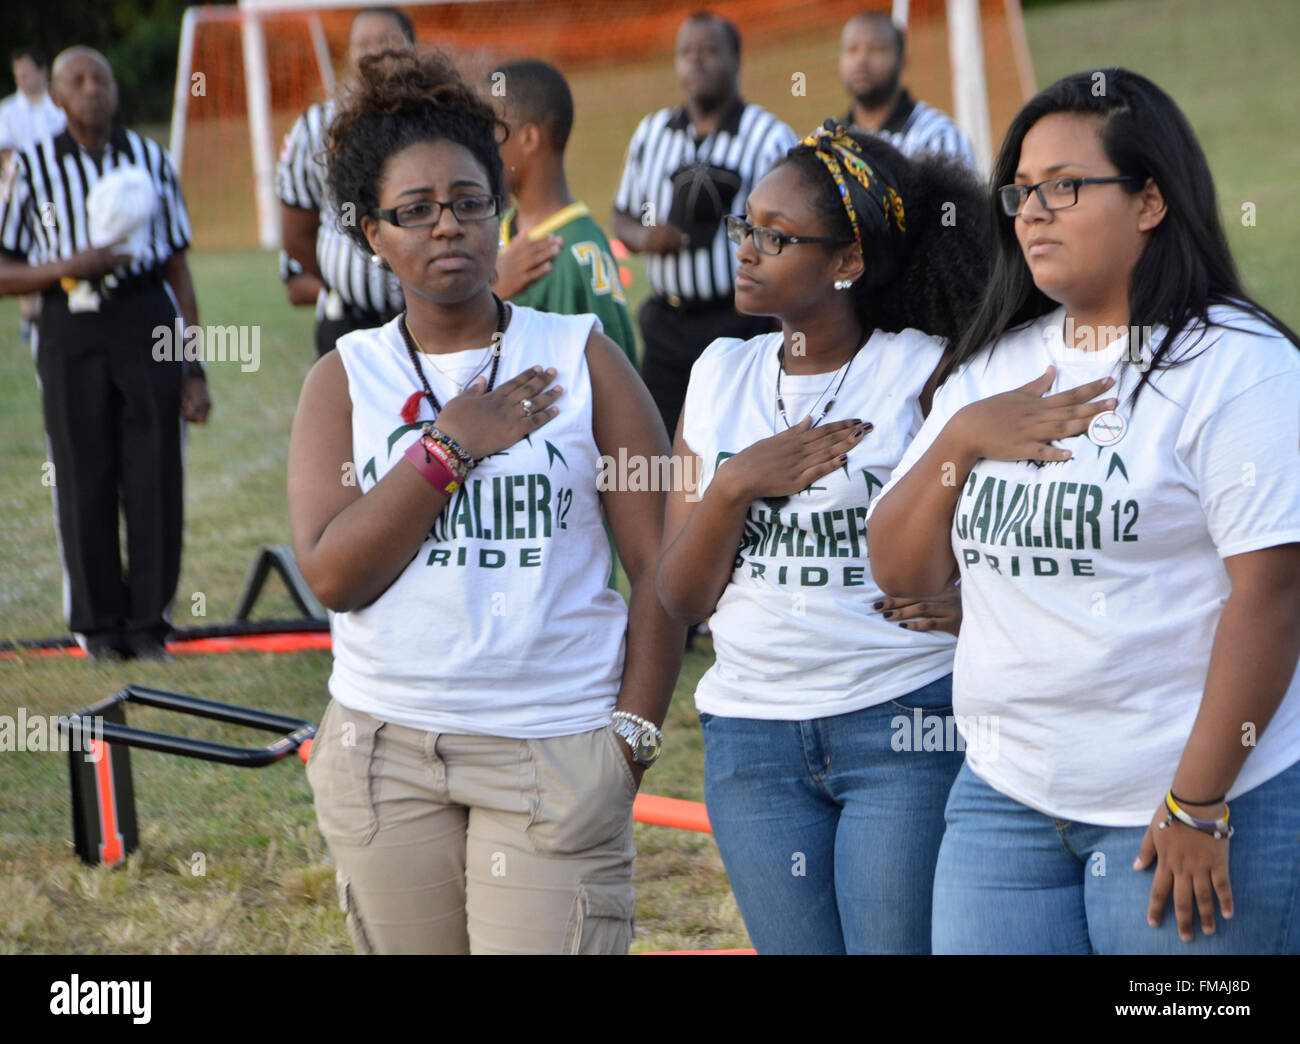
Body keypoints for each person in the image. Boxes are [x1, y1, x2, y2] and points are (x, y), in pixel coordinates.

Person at [867, 68, 1300, 954]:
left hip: (1189, 805)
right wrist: (961, 441)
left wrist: (1198, 801)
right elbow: (900, 573)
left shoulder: (1237, 367)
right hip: (1004, 803)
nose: (1031, 211)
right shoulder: (995, 367)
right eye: (1020, 191)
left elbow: (1274, 593)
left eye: (1064, 186)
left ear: (1150, 201)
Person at [287, 49, 684, 954]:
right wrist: (448, 449)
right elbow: (334, 575)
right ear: (370, 232)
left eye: (470, 201)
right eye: (415, 211)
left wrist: (631, 736)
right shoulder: (343, 380)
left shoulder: (584, 358)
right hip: (385, 754)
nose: (449, 227)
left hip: (554, 749)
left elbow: (662, 561)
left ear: (500, 203)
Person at [655, 120, 990, 953]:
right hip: (752, 739)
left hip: (901, 723)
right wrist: (735, 483)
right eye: (746, 228)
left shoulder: (924, 373)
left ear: (846, 263)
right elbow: (680, 594)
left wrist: (970, 605)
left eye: (778, 236)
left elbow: (989, 541)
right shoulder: (717, 376)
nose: (748, 249)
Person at [0, 47, 209, 662]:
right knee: (82, 470)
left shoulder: (151, 159)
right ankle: (97, 627)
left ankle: (149, 626)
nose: (92, 90)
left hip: (146, 316)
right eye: (78, 81)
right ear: (58, 98)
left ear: (116, 92)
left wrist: (192, 365)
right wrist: (70, 266)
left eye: (102, 79)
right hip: (69, 321)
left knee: (156, 470)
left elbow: (178, 268)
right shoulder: (32, 168)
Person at [612, 10, 796, 443]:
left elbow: (793, 230)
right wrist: (644, 236)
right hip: (667, 323)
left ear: (736, 59)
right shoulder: (651, 132)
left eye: (710, 51)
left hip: (740, 321)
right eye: (686, 52)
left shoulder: (768, 136)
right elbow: (622, 215)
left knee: (736, 442)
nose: (697, 61)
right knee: (659, 447)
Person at [277, 7, 413, 356]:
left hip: (425, 317)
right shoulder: (316, 127)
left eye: (388, 42)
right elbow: (296, 232)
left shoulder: (437, 122)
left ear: (413, 51)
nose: (375, 53)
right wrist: (346, 276)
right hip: (346, 323)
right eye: (364, 44)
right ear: (350, 56)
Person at [491, 58, 638, 365]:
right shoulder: (491, 233)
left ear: (529, 139)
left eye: (489, 130)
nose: (477, 146)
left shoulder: (576, 253)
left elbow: (613, 384)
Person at [837, 11, 975, 168]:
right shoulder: (828, 140)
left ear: (902, 60)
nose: (861, 60)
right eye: (852, 49)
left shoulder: (938, 137)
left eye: (876, 49)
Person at [0, 49, 67, 343]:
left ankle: (57, 303)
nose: (22, 79)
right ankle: (30, 316)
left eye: (27, 72)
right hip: (20, 193)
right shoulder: (8, 111)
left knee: (51, 242)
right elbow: (6, 153)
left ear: (43, 72)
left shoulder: (59, 107)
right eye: (18, 74)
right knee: (22, 251)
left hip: (53, 194)